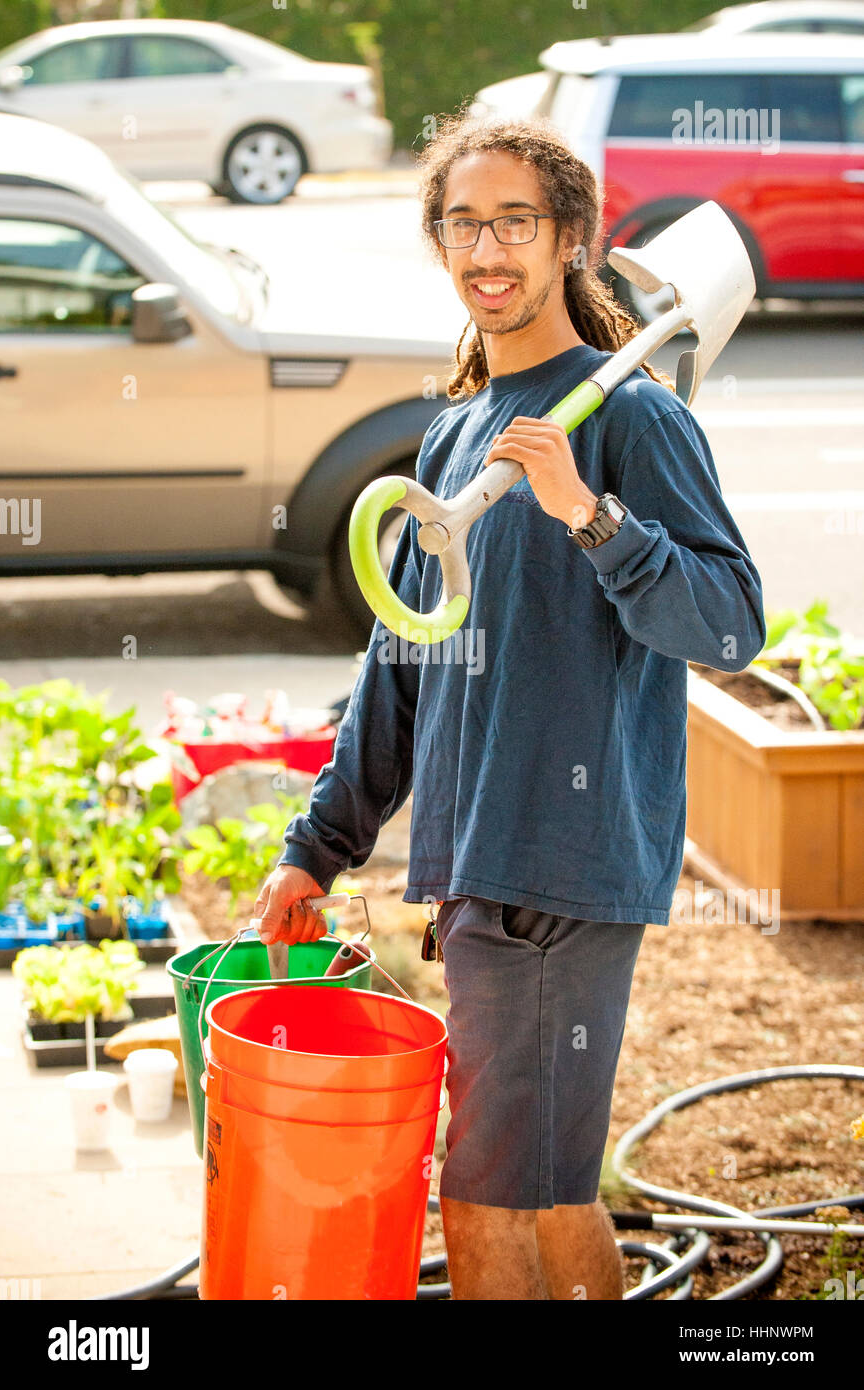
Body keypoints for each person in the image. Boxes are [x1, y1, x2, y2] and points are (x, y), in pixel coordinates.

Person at [253, 109, 766, 1300]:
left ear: (571, 240)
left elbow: (730, 624)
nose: (487, 250)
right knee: (540, 1186)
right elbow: (401, 663)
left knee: (489, 1197)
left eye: (515, 224)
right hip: (480, 865)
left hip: (562, 866)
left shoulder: (629, 416)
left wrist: (590, 514)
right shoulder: (449, 440)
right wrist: (313, 851)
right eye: (462, 224)